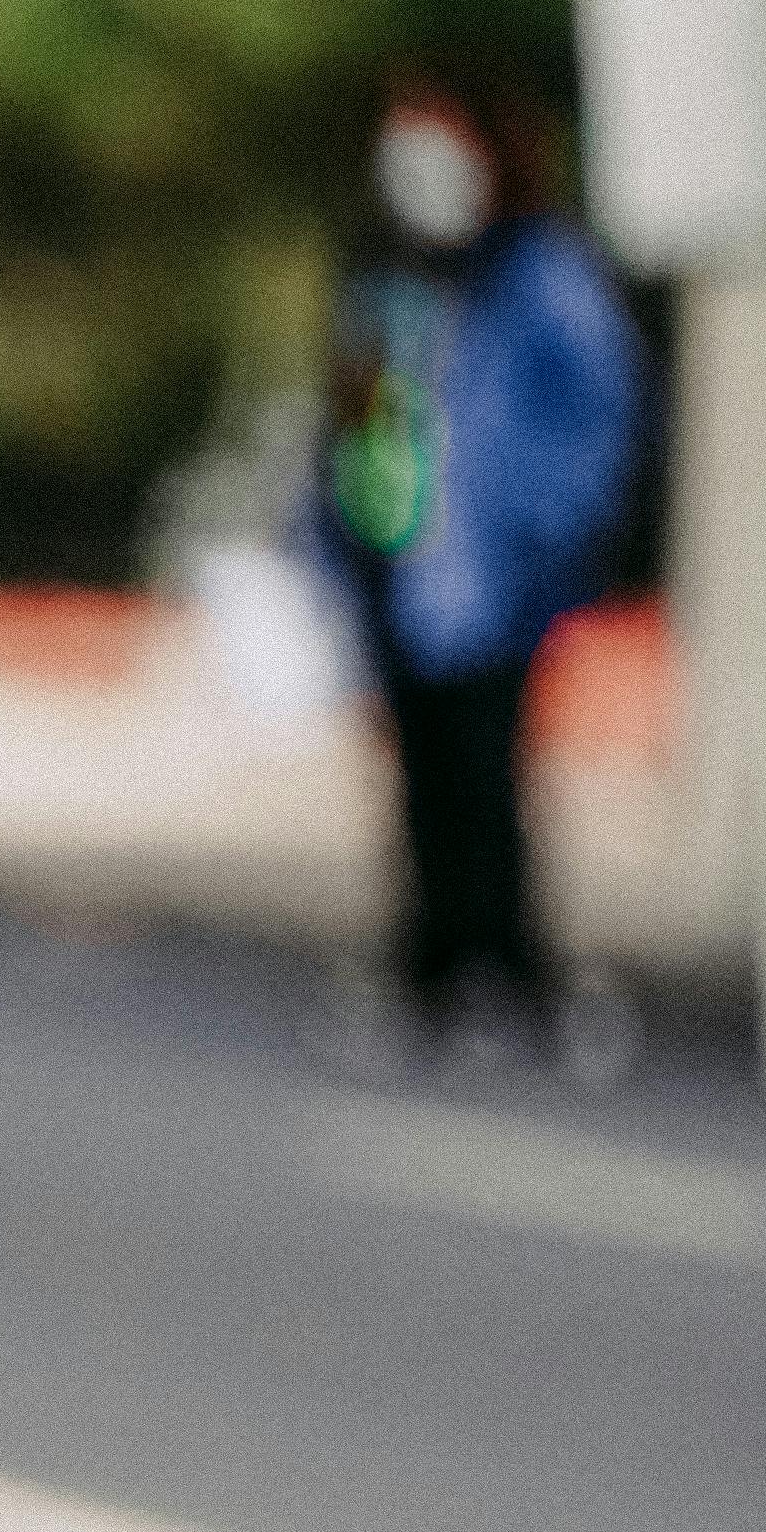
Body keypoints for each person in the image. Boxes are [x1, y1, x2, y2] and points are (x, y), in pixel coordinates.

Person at [309, 70, 647, 1073]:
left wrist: (543, 536)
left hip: (495, 577)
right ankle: (430, 972)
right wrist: (343, 541)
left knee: (486, 780)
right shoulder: (389, 274)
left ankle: (510, 976)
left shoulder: (542, 275)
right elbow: (354, 415)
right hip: (394, 560)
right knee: (419, 784)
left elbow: (596, 424)